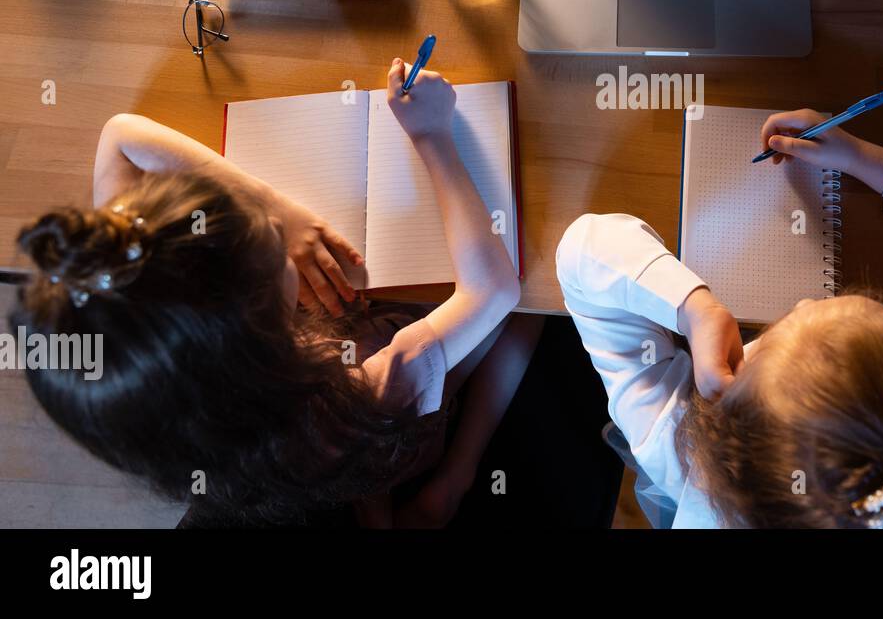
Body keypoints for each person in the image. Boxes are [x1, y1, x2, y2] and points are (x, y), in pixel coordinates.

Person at [12, 59, 534, 527]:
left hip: (313, 464)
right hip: (377, 431)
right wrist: (432, 135)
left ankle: (375, 503)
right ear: (268, 323)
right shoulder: (351, 405)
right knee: (534, 301)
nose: (264, 221)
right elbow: (493, 292)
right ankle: (449, 481)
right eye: (266, 237)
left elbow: (122, 135)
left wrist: (277, 206)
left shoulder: (133, 296)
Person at [557, 108, 883, 528]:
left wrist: (693, 308)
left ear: (732, 426)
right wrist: (860, 157)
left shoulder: (681, 452)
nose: (804, 303)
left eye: (785, 327)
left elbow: (583, 250)